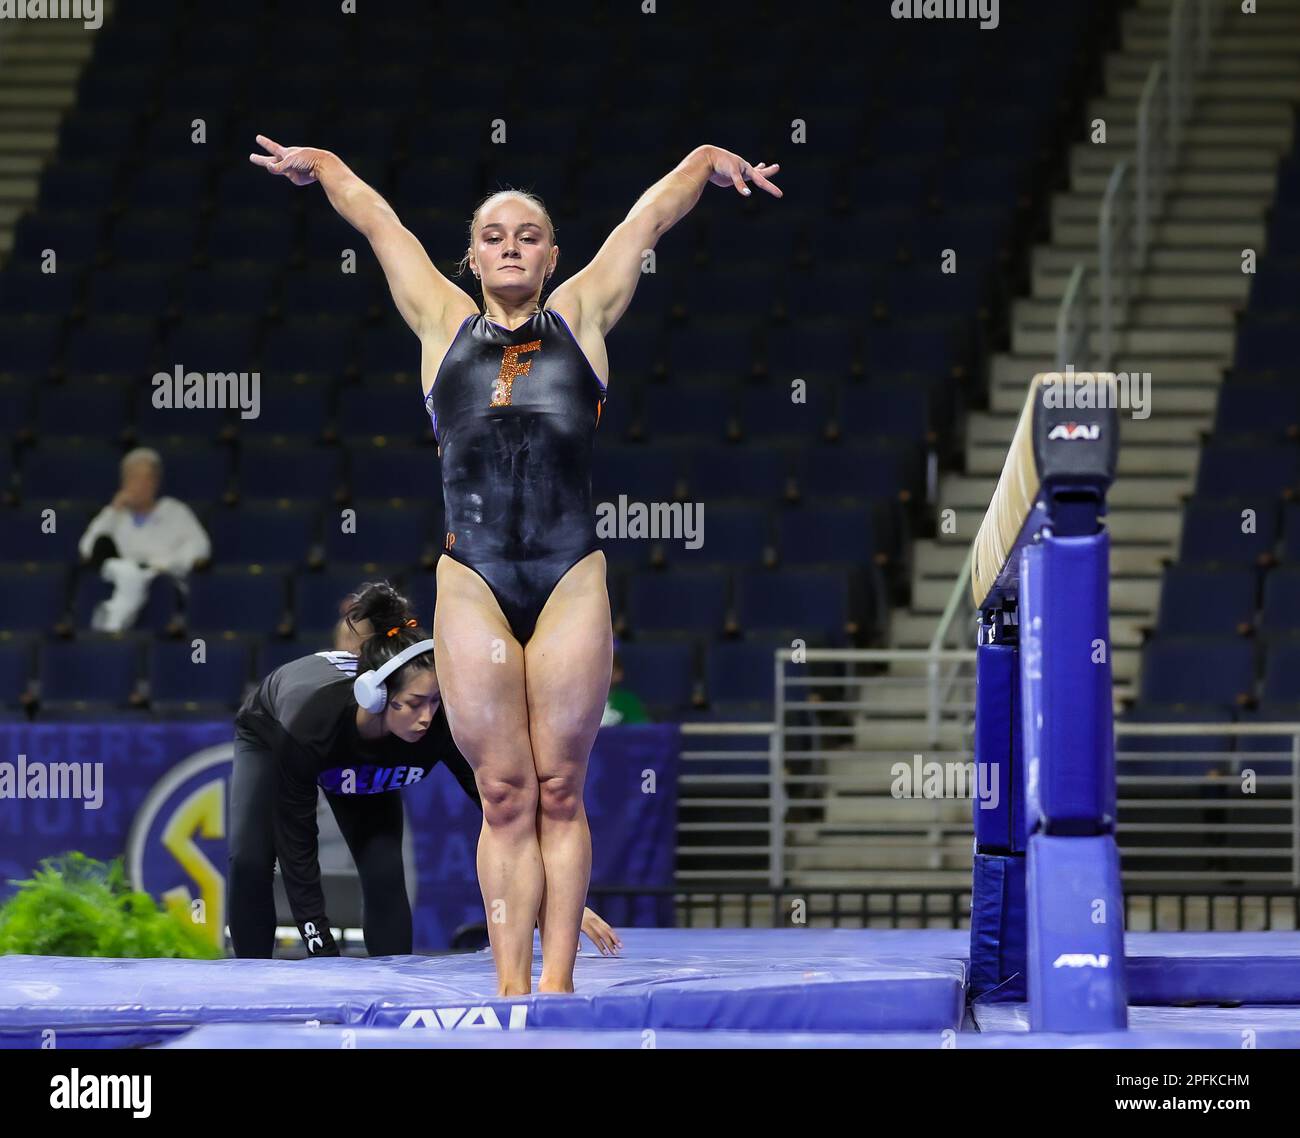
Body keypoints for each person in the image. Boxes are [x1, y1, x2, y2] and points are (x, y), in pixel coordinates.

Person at [250, 135, 780, 993]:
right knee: (504, 793)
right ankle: (509, 991)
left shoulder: (583, 314)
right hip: (473, 579)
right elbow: (380, 223)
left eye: (528, 234)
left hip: (570, 576)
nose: (509, 245)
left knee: (560, 790)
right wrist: (329, 168)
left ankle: (559, 989)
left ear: (552, 253)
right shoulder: (439, 322)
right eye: (493, 234)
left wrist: (706, 162)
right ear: (470, 254)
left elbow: (646, 222)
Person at [229, 580, 621, 959]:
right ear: (378, 695)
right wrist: (323, 953)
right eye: (415, 703)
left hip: (364, 753)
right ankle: (250, 980)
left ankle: (394, 988)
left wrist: (562, 903)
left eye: (435, 701)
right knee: (251, 859)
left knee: (385, 873)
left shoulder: (440, 727)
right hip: (270, 731)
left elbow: (506, 805)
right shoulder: (311, 725)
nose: (426, 717)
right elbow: (299, 850)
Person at [76, 447, 210, 631]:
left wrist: (162, 565)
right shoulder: (114, 515)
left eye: (145, 478)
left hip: (161, 586)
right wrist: (113, 511)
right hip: (119, 584)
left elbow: (200, 549)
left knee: (158, 587)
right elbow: (88, 549)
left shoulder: (175, 511)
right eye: (132, 478)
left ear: (156, 482)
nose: (138, 484)